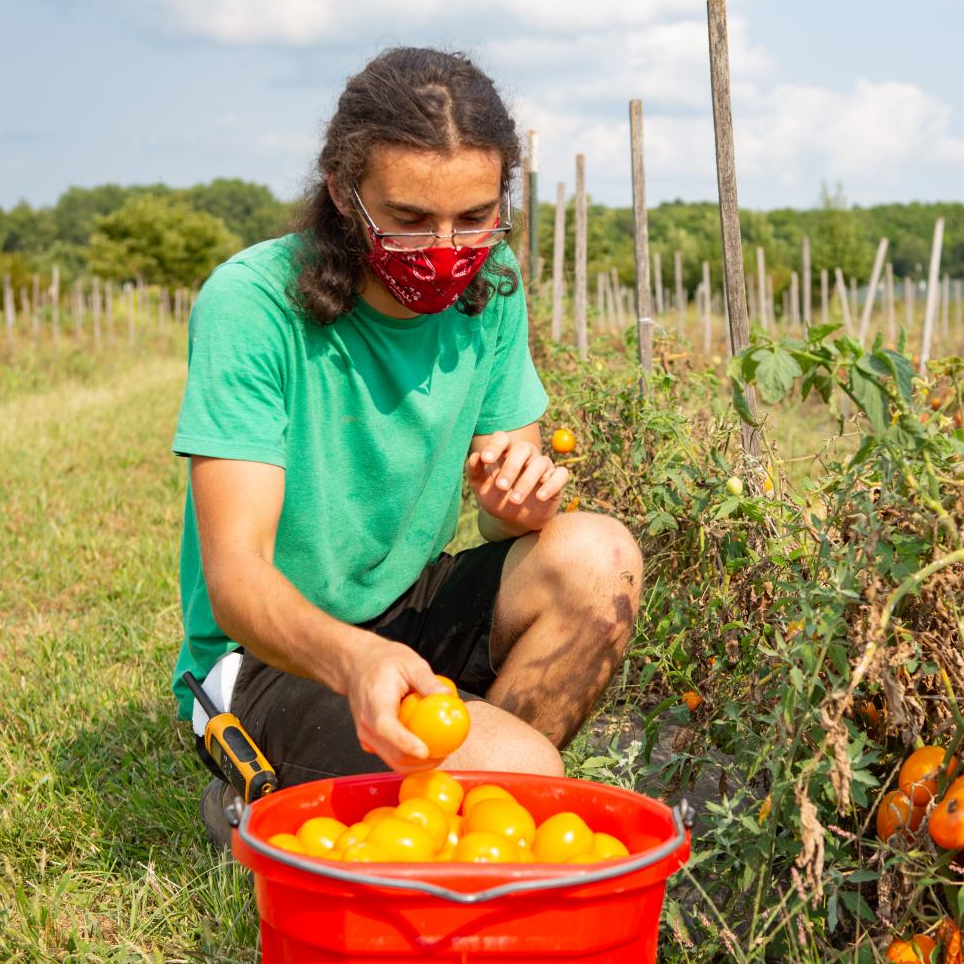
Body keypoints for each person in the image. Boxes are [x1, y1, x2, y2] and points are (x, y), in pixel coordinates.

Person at [169, 47, 643, 847]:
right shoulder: (252, 305)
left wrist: (513, 506)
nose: (446, 249)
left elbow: (506, 516)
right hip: (267, 655)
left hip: (401, 611)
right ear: (342, 195)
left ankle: (447, 810)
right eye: (411, 219)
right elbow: (236, 584)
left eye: (473, 217)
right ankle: (273, 801)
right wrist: (354, 663)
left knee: (598, 555)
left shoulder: (488, 286)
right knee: (524, 776)